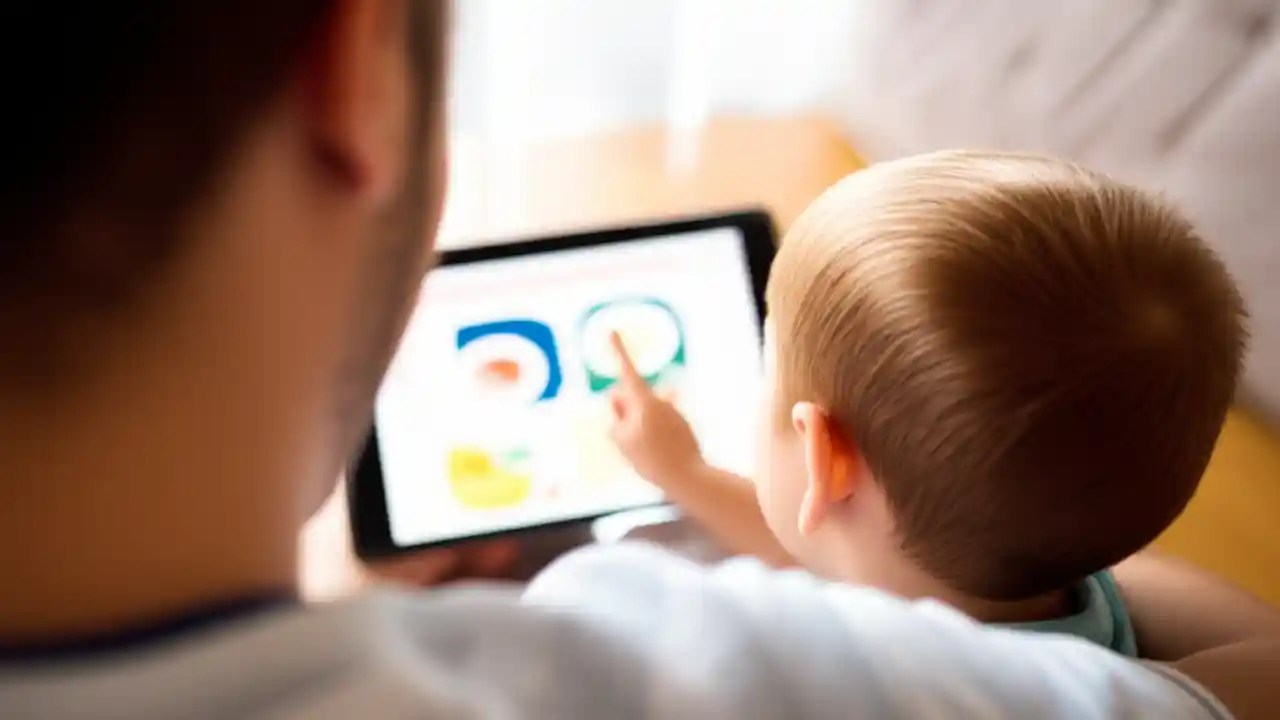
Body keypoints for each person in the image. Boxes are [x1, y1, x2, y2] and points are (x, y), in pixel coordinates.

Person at [1, 2, 1278, 718]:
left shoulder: (656, 642)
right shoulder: (699, 661)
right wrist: (1032, 518)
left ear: (826, 460)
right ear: (359, 69)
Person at [605, 150, 1245, 656]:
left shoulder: (855, 676)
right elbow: (835, 533)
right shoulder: (1071, 594)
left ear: (823, 453)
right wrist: (684, 474)